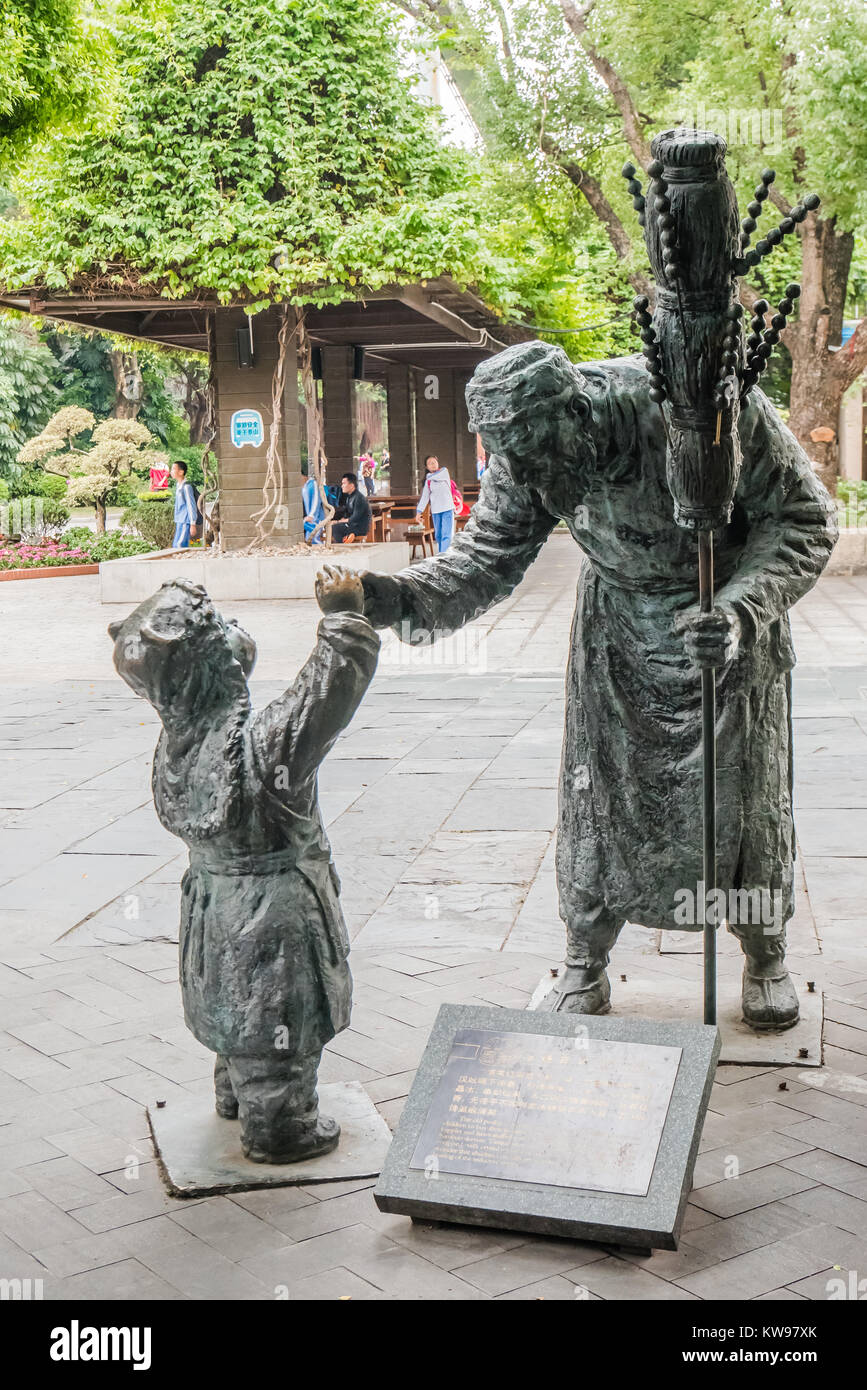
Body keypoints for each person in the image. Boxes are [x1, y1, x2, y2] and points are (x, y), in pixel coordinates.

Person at [359, 339, 837, 1030]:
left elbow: (801, 517)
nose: (523, 471)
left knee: (745, 797)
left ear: (578, 412)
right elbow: (490, 556)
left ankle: (765, 953)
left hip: (723, 624)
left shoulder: (697, 406)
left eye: (534, 453)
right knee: (598, 798)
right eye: (508, 456)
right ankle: (584, 957)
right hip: (615, 635)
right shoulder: (525, 450)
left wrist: (740, 606)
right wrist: (398, 600)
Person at [109, 568, 380, 1163]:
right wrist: (341, 620)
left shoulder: (181, 739)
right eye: (223, 632)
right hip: (275, 911)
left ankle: (234, 1090)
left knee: (234, 1007)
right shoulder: (262, 746)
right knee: (281, 1019)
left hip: (213, 906)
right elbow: (324, 697)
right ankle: (280, 1127)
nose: (238, 634)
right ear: (211, 666)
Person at [417, 454, 455, 553]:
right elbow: (425, 497)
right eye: (430, 463)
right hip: (436, 511)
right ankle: (442, 554)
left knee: (446, 535)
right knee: (438, 536)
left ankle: (443, 556)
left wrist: (427, 477)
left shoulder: (444, 472)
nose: (433, 465)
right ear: (426, 467)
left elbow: (433, 476)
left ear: (438, 463)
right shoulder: (429, 481)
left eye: (434, 462)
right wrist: (418, 512)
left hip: (447, 509)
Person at [332, 471, 371, 544]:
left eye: (344, 483)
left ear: (351, 485)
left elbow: (355, 517)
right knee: (330, 526)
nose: (342, 486)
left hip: (359, 527)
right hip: (352, 525)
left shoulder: (359, 498)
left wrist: (338, 521)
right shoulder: (349, 497)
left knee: (335, 527)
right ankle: (347, 537)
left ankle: (343, 544)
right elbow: (346, 513)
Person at [171, 460, 200, 549]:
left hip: (185, 522)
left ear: (181, 472)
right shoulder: (178, 485)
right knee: (178, 545)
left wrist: (192, 524)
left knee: (179, 545)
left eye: (173, 469)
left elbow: (191, 506)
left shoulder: (186, 487)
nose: (171, 471)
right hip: (179, 521)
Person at [302, 473, 327, 545]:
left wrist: (311, 515)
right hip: (309, 518)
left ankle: (322, 551)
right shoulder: (305, 486)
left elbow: (316, 500)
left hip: (316, 518)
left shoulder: (313, 484)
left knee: (314, 538)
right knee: (309, 538)